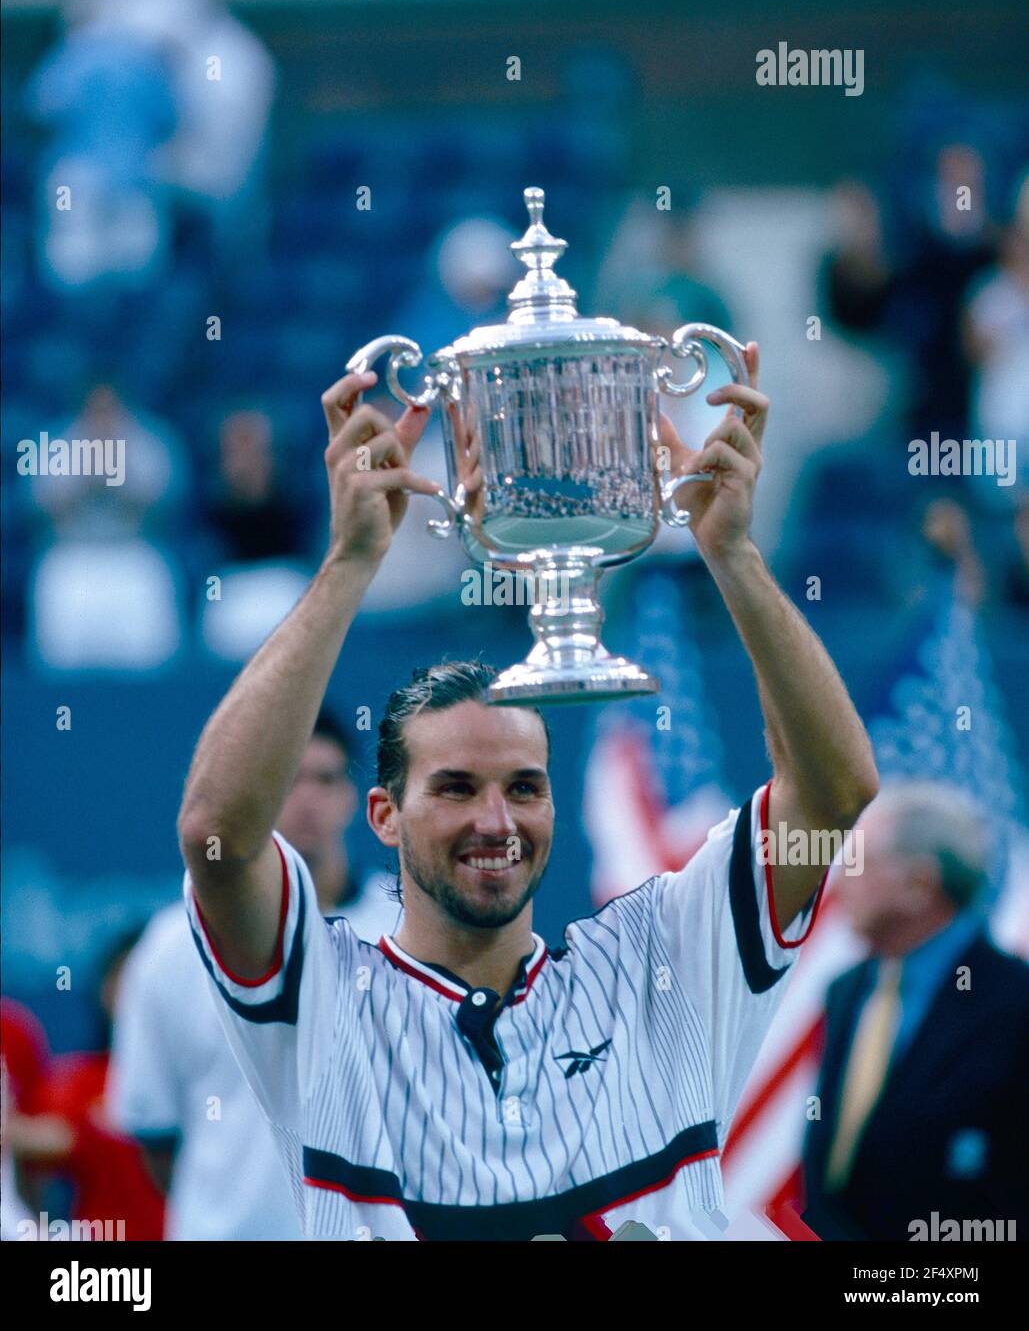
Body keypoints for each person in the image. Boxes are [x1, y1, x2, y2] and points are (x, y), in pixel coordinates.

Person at [176, 346, 878, 1240]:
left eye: (525, 787)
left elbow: (834, 794)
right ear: (383, 816)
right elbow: (215, 837)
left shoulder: (660, 960)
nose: (496, 820)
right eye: (457, 788)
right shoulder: (324, 998)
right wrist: (351, 560)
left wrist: (730, 553)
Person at [109, 710, 397, 1240]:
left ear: (357, 798)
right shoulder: (170, 948)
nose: (308, 798)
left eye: (327, 778)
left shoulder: (408, 927)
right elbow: (155, 1139)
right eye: (288, 779)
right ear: (256, 792)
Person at [802, 781, 1029, 1241]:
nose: (838, 881)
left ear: (920, 884)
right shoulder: (845, 992)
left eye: (858, 864)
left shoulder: (1016, 1005)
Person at [5, 933, 164, 1241]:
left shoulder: (195, 1081)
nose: (135, 992)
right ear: (104, 990)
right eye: (124, 978)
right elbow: (46, 1143)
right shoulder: (79, 1081)